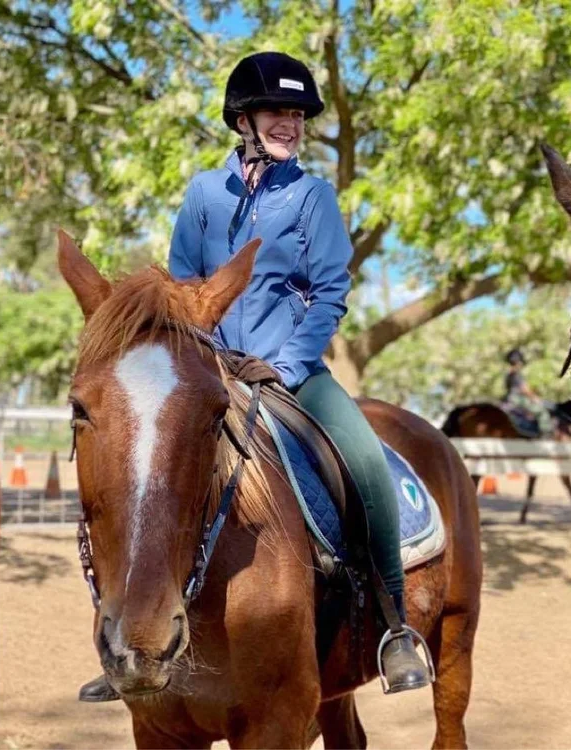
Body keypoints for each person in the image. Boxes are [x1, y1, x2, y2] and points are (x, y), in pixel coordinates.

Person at [79, 51, 430, 702]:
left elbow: (329, 293)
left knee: (365, 463)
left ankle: (394, 622)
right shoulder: (203, 196)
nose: (289, 124)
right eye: (276, 112)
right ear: (243, 120)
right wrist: (202, 358)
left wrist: (288, 363)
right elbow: (182, 289)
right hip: (212, 371)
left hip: (293, 373)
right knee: (142, 475)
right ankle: (129, 632)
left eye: (297, 114)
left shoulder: (313, 198)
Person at [503, 349, 553, 436]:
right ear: (518, 362)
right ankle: (546, 434)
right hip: (517, 399)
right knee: (542, 411)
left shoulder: (508, 373)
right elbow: (524, 389)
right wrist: (535, 398)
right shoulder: (516, 374)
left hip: (510, 398)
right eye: (520, 362)